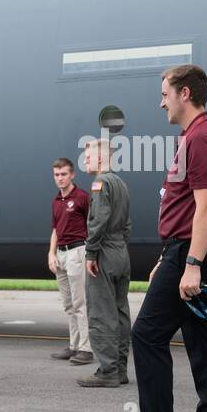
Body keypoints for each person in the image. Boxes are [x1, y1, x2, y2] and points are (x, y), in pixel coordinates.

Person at [110, 64, 207, 412]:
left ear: (184, 93)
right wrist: (170, 256)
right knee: (204, 345)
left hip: (193, 253)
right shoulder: (195, 137)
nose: (160, 101)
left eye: (165, 93)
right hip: (184, 252)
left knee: (146, 335)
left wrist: (191, 263)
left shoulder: (200, 139)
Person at [76, 138, 132, 388]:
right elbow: (127, 223)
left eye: (88, 157)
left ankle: (107, 370)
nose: (85, 161)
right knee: (120, 312)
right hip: (121, 250)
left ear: (100, 158)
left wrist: (91, 254)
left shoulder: (100, 183)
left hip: (105, 253)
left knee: (101, 312)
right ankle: (120, 368)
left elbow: (97, 221)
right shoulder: (121, 184)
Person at [47, 158, 93, 364]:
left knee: (80, 303)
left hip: (77, 251)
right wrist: (51, 253)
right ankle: (74, 345)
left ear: (72, 174)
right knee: (68, 304)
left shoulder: (82, 197)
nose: (60, 178)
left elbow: (93, 225)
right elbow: (55, 229)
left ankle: (86, 348)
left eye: (64, 174)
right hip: (61, 254)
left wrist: (90, 254)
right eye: (57, 175)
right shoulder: (56, 201)